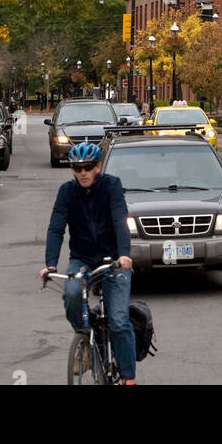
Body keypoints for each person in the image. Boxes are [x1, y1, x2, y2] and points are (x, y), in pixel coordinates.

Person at [39, 141, 137, 385]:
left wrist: (123, 255)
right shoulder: (66, 192)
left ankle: (128, 379)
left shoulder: (111, 186)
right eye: (77, 168)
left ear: (98, 167)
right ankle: (84, 337)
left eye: (88, 166)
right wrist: (50, 265)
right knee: (71, 292)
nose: (82, 172)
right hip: (81, 259)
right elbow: (55, 229)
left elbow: (120, 220)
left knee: (118, 320)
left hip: (112, 260)